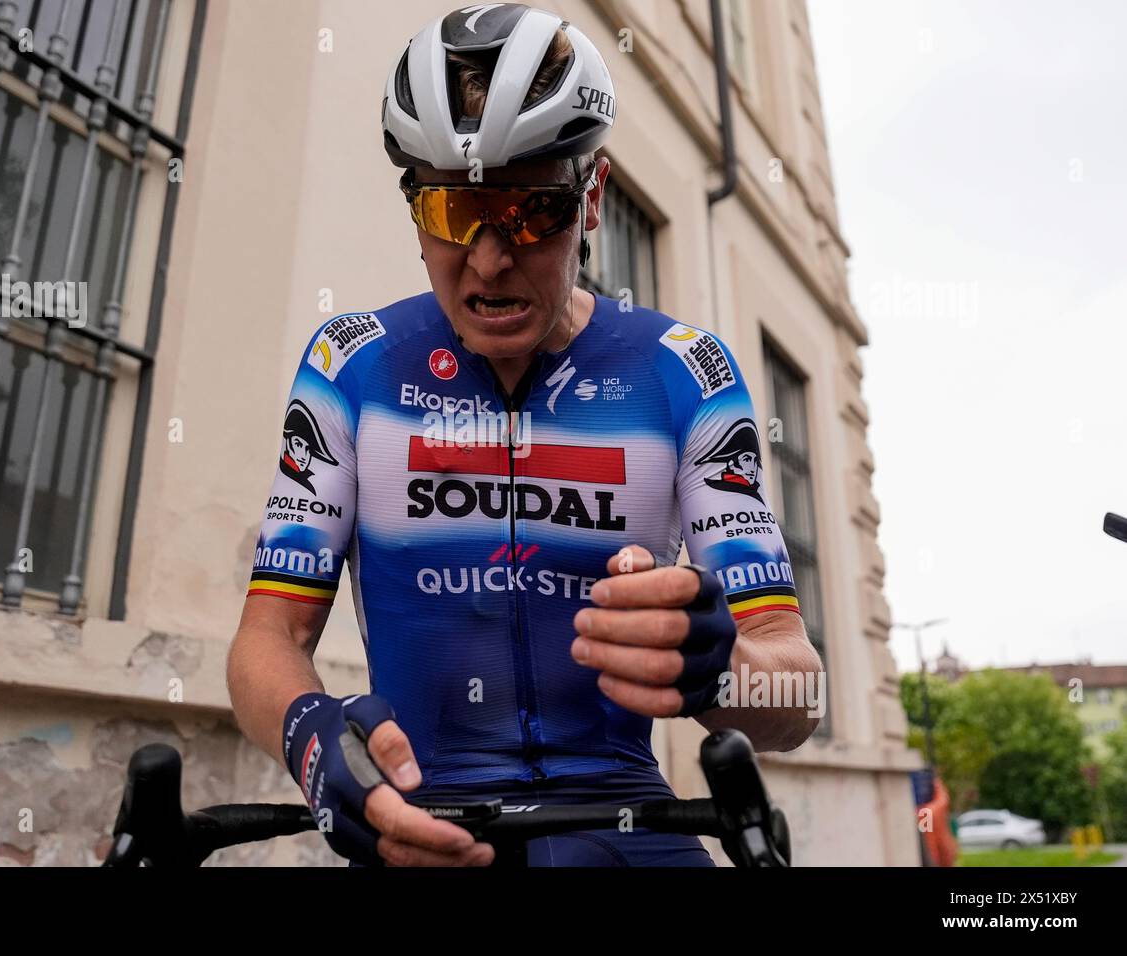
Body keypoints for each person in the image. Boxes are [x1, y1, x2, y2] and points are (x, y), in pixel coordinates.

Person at [227, 3, 822, 867]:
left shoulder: (686, 372)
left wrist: (718, 669)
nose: (490, 258)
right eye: (452, 211)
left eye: (535, 212)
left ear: (593, 196)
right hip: (424, 830)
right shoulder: (350, 367)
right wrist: (313, 743)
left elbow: (796, 690)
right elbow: (266, 639)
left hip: (627, 827)